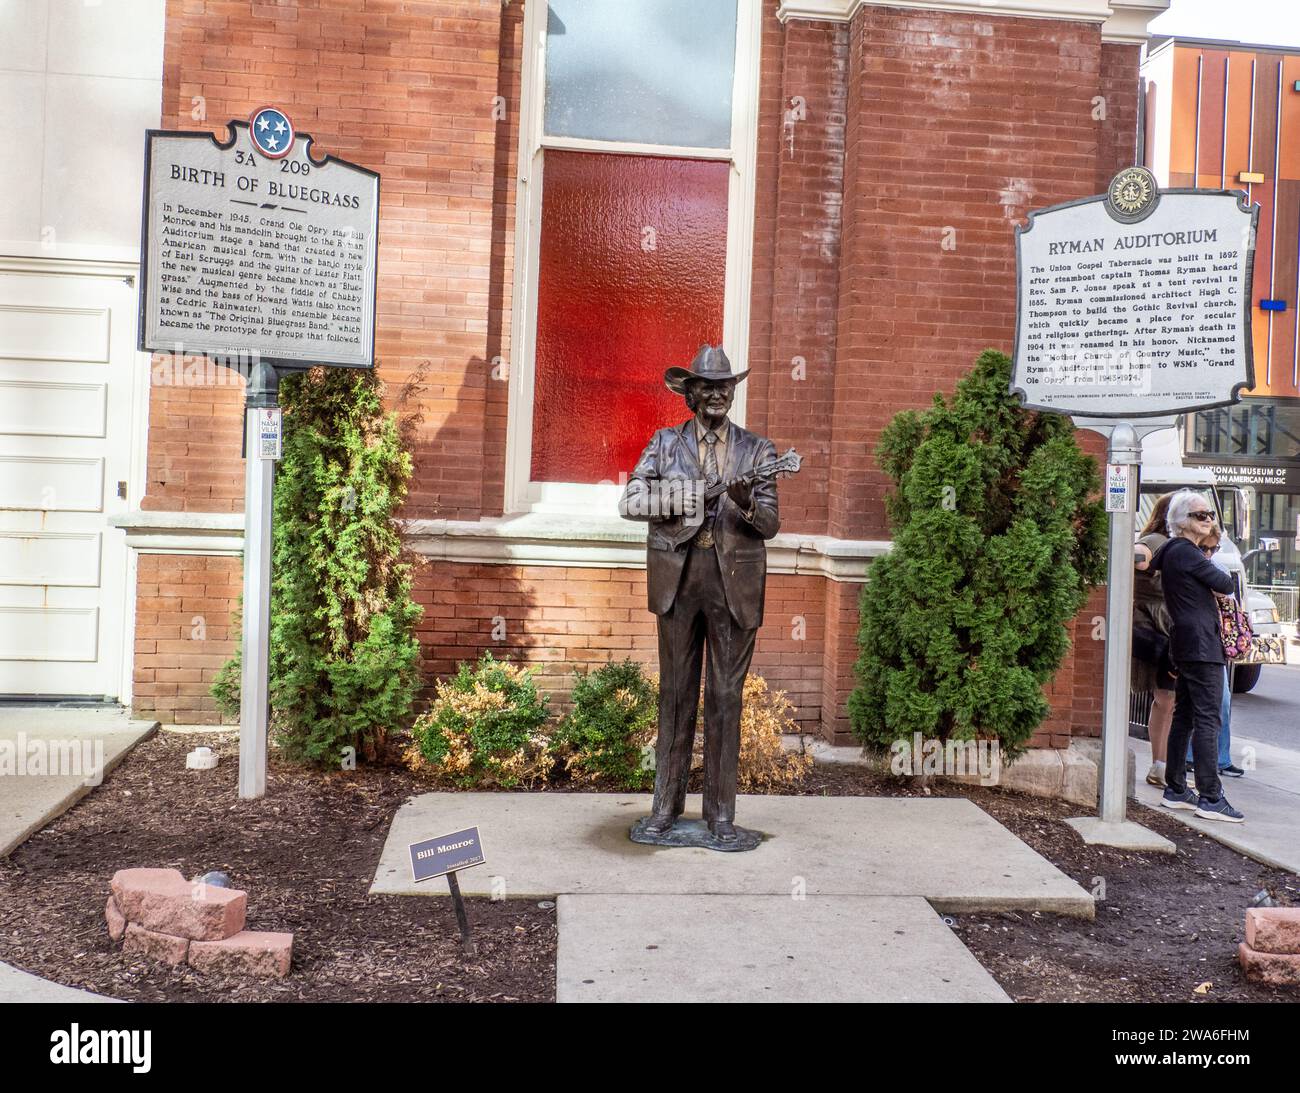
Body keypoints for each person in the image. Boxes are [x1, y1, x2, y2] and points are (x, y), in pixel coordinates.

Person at [618, 345, 780, 845]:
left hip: (734, 584)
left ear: (733, 391)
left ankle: (721, 816)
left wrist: (746, 499)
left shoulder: (759, 451)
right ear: (690, 393)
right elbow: (630, 501)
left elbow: (771, 524)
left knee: (727, 698)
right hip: (678, 580)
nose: (716, 393)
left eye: (724, 385)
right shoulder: (665, 444)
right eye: (707, 385)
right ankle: (664, 808)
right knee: (675, 693)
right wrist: (687, 497)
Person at [1150, 491, 1244, 822]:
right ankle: (1211, 796)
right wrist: (1210, 565)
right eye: (1202, 515)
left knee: (1186, 715)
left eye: (1210, 515)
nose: (1209, 521)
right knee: (1207, 718)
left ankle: (1176, 789)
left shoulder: (1174, 553)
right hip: (1202, 644)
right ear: (1184, 522)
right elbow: (1224, 582)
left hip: (1187, 642)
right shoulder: (1186, 552)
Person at [1133, 493, 1175, 786]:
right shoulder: (1156, 542)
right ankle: (1161, 766)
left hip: (1169, 629)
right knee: (1166, 698)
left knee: (1168, 700)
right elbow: (1137, 554)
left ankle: (1163, 765)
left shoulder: (1179, 545)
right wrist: (1143, 564)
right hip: (1156, 629)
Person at [1196, 525, 1245, 778]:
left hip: (1217, 640)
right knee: (1194, 704)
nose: (1208, 553)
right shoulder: (1189, 564)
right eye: (1204, 547)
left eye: (1213, 548)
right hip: (1196, 642)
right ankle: (1192, 758)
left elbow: (1230, 600)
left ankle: (1222, 758)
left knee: (1222, 701)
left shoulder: (1219, 568)